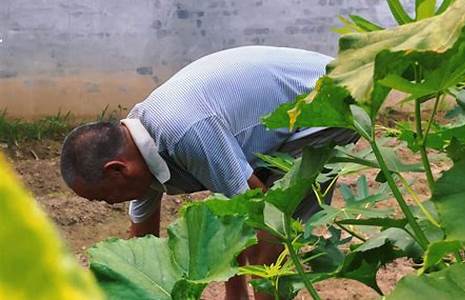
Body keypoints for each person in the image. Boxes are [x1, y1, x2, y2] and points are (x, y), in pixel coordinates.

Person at [60, 46, 358, 299]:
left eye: (103, 197)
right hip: (275, 117)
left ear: (117, 170)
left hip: (327, 101)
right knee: (235, 202)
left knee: (269, 240)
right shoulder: (139, 141)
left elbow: (253, 207)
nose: (110, 204)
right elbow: (141, 251)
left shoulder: (183, 132)